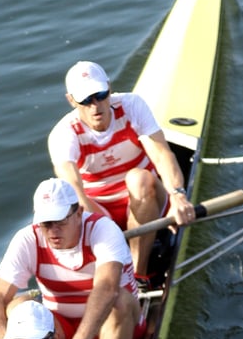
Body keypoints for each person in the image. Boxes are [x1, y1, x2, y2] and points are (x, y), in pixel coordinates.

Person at [0, 177, 141, 339]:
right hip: (60, 332)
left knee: (119, 300)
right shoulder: (27, 239)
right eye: (46, 223)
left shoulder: (103, 230)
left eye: (60, 221)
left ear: (79, 213)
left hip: (116, 327)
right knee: (19, 307)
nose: (53, 231)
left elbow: (107, 289)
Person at [47, 59, 197, 282]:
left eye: (100, 95)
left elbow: (162, 155)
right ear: (71, 100)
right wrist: (99, 231)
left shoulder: (132, 105)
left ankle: (137, 275)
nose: (95, 105)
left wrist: (178, 196)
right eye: (86, 100)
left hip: (147, 198)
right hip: (100, 211)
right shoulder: (64, 134)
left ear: (109, 87)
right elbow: (74, 190)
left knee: (139, 179)